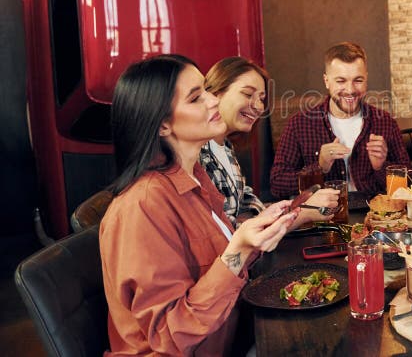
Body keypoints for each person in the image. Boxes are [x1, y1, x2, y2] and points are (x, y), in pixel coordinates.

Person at [100, 54, 299, 355]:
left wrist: (260, 233)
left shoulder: (195, 177)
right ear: (163, 125)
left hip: (230, 336)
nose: (213, 101)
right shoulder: (142, 204)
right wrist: (240, 248)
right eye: (196, 98)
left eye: (206, 89)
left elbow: (217, 263)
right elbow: (169, 334)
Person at [201, 57, 337, 228]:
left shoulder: (226, 147)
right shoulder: (199, 155)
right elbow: (228, 233)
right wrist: (303, 213)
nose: (258, 106)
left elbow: (249, 203)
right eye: (248, 94)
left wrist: (291, 208)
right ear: (216, 93)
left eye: (261, 98)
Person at [270, 42, 411, 199]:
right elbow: (277, 184)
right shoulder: (300, 124)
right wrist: (319, 167)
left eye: (358, 80)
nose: (350, 90)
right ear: (326, 81)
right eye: (341, 81)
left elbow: (410, 183)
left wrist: (381, 167)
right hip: (322, 218)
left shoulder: (384, 122)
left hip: (376, 217)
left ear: (366, 78)